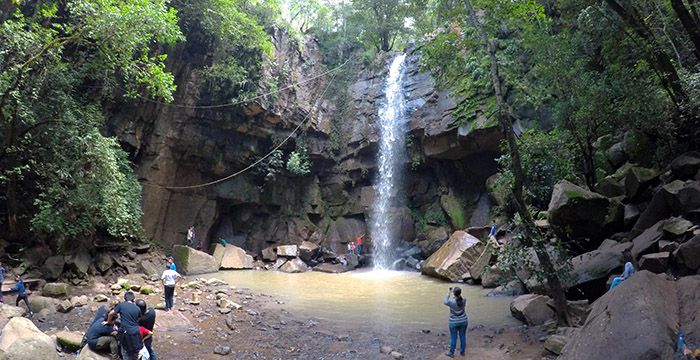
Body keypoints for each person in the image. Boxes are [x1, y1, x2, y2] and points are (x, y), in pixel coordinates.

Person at [106, 292, 143, 360]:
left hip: (126, 333)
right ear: (133, 299)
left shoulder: (121, 305)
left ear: (125, 298)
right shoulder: (137, 308)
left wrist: (108, 322)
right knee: (135, 353)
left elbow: (111, 313)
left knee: (125, 353)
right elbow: (139, 319)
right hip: (136, 333)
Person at [444, 287, 468, 357]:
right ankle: (462, 352)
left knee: (453, 337)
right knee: (462, 336)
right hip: (464, 321)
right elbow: (460, 300)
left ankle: (451, 353)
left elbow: (445, 301)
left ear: (454, 293)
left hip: (453, 322)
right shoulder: (464, 300)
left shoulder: (451, 301)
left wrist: (449, 293)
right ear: (460, 293)